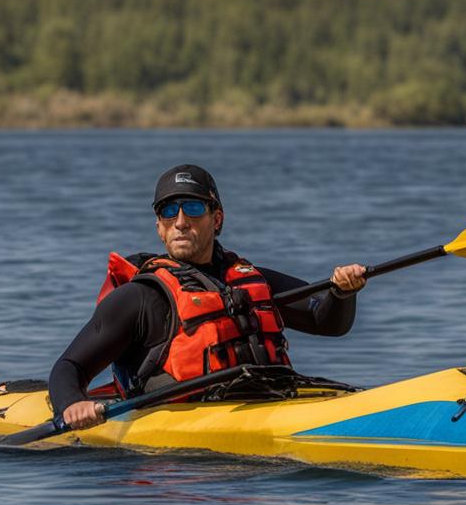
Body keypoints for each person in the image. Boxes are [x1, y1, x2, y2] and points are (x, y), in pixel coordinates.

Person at [49, 164, 365, 430]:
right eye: (169, 212)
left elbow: (327, 323)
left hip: (272, 400)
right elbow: (68, 368)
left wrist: (342, 292)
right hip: (187, 446)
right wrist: (72, 404)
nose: (181, 222)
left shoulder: (252, 279)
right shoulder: (140, 298)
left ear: (216, 219)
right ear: (159, 227)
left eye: (194, 208)